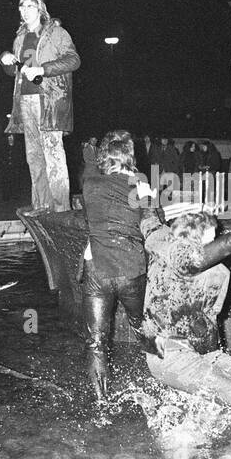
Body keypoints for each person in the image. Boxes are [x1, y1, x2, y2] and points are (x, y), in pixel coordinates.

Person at [140, 209, 231, 406]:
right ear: (195, 244)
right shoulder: (181, 257)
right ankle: (213, 435)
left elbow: (150, 222)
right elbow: (191, 261)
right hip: (167, 353)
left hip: (198, 349)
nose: (214, 244)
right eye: (211, 239)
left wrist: (147, 199)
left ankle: (205, 413)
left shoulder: (160, 238)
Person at [80, 131, 154, 397]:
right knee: (143, 327)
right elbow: (150, 220)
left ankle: (101, 400)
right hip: (130, 266)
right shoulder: (140, 183)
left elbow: (91, 212)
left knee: (96, 341)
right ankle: (164, 381)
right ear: (129, 158)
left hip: (96, 268)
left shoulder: (90, 184)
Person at [1, 0, 80, 212]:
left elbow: (74, 60)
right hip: (25, 100)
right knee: (34, 157)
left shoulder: (57, 33)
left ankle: (61, 210)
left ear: (40, 9)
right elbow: (13, 72)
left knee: (53, 156)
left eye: (29, 6)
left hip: (50, 101)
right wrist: (7, 61)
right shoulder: (20, 37)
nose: (24, 11)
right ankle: (42, 206)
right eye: (21, 7)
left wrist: (43, 70)